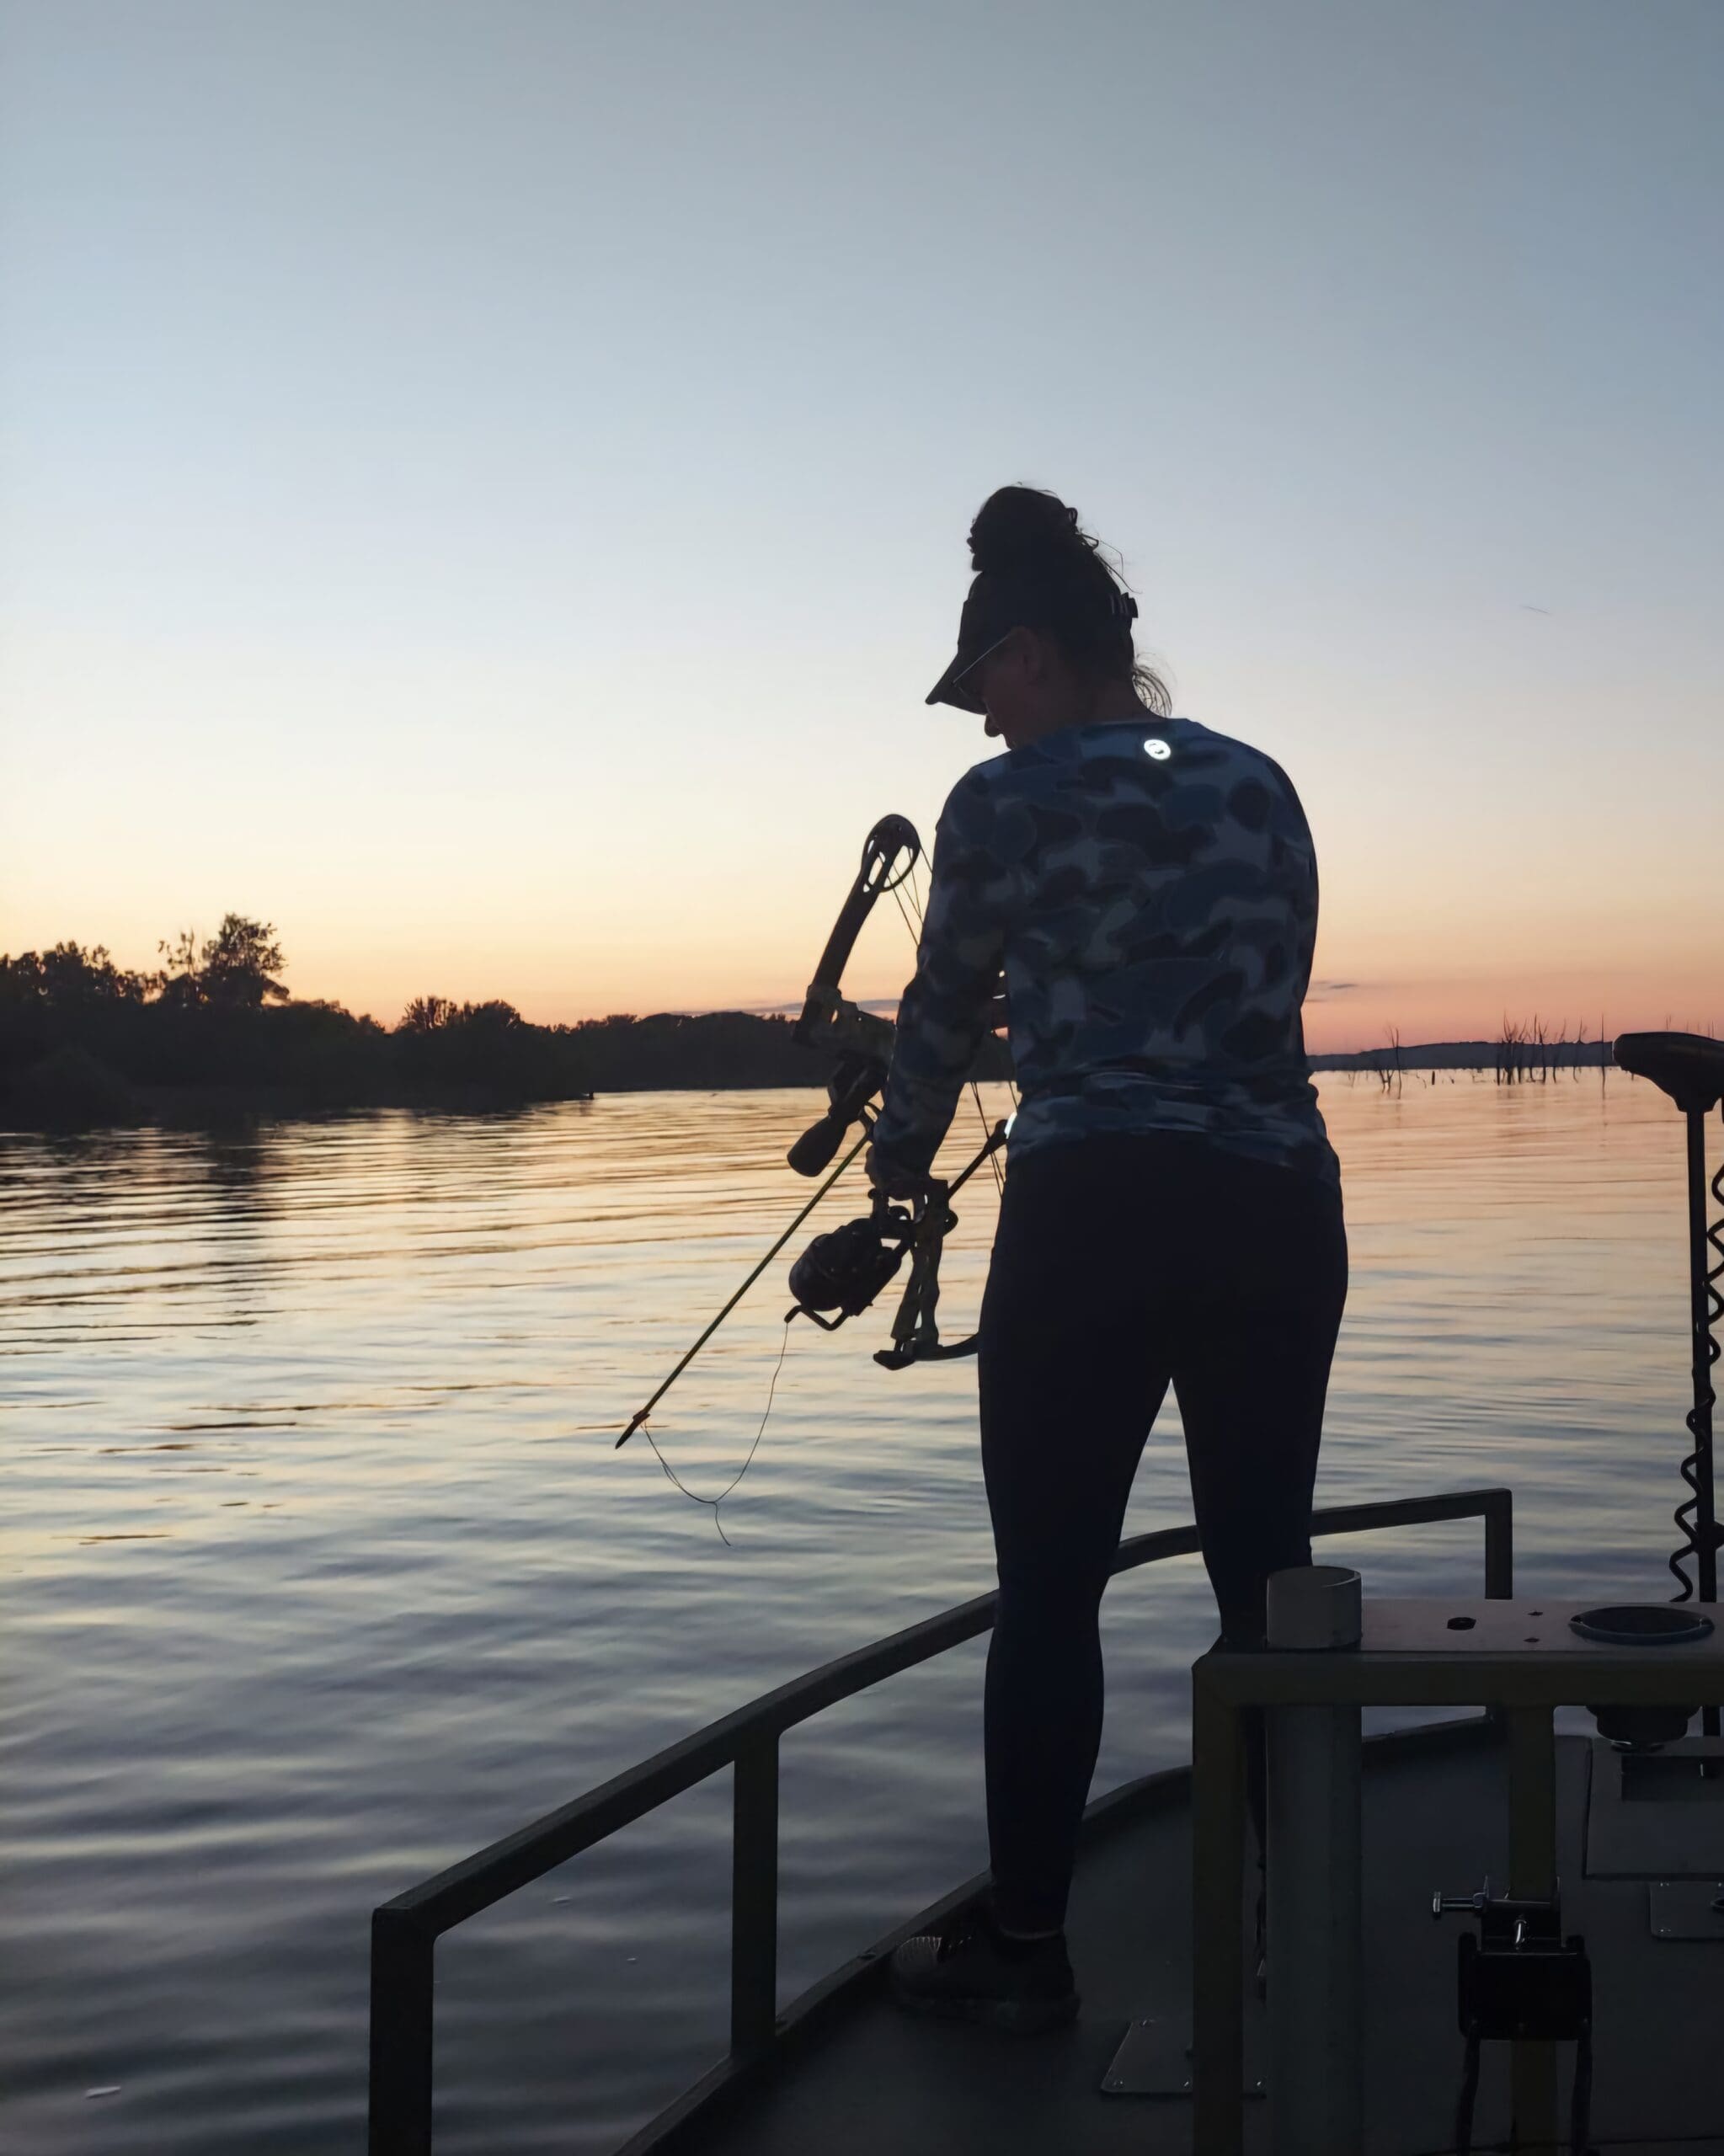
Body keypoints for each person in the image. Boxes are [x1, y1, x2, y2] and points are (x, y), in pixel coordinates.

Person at [870, 485, 1348, 2034]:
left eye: (982, 691)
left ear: (1026, 655)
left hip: (1096, 1221)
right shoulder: (1262, 781)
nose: (981, 724)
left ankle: (1026, 1955)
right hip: (1281, 1209)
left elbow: (942, 1014)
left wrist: (895, 1166)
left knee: (1053, 1589)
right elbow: (1251, 988)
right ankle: (1296, 1927)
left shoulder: (1000, 807)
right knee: (1267, 1579)